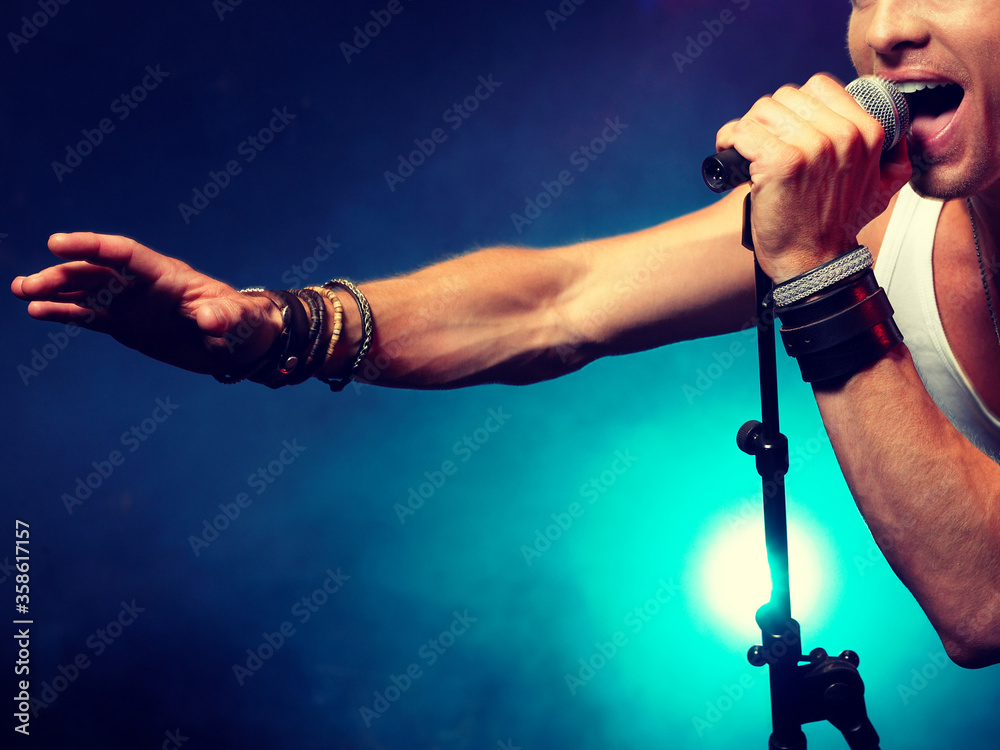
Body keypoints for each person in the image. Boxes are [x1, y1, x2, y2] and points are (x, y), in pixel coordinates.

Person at [11, 2, 1000, 667]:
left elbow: (981, 600)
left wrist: (816, 272)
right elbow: (558, 301)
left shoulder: (838, 240)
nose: (887, 30)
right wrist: (280, 329)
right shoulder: (883, 216)